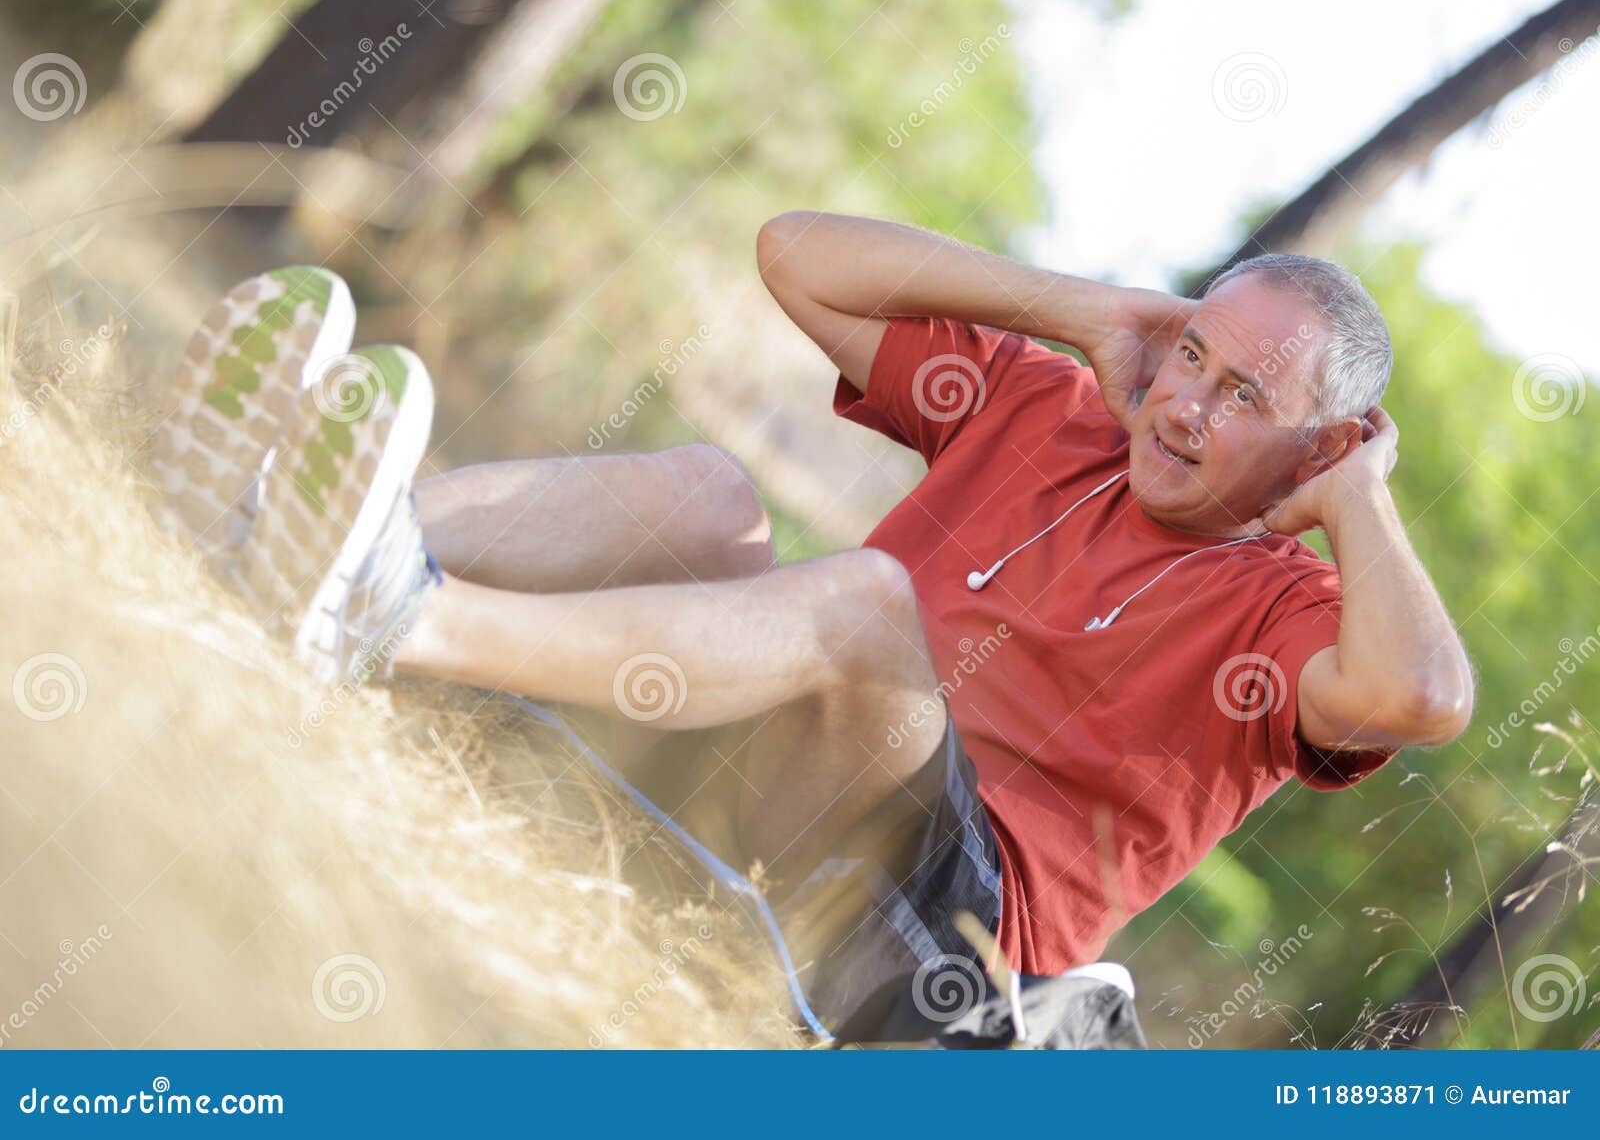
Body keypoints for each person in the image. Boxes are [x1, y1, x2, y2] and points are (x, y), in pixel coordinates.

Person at [151, 215, 1474, 986]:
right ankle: (289, 521)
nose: (1184, 401)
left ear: (1317, 448)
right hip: (780, 774)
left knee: (859, 601)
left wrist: (1359, 496)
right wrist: (1085, 309)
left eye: (1244, 396)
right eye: (1193, 352)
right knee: (710, 492)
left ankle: (401, 615)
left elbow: (1425, 694)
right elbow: (797, 257)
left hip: (921, 929)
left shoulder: (1285, 607)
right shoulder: (1057, 410)